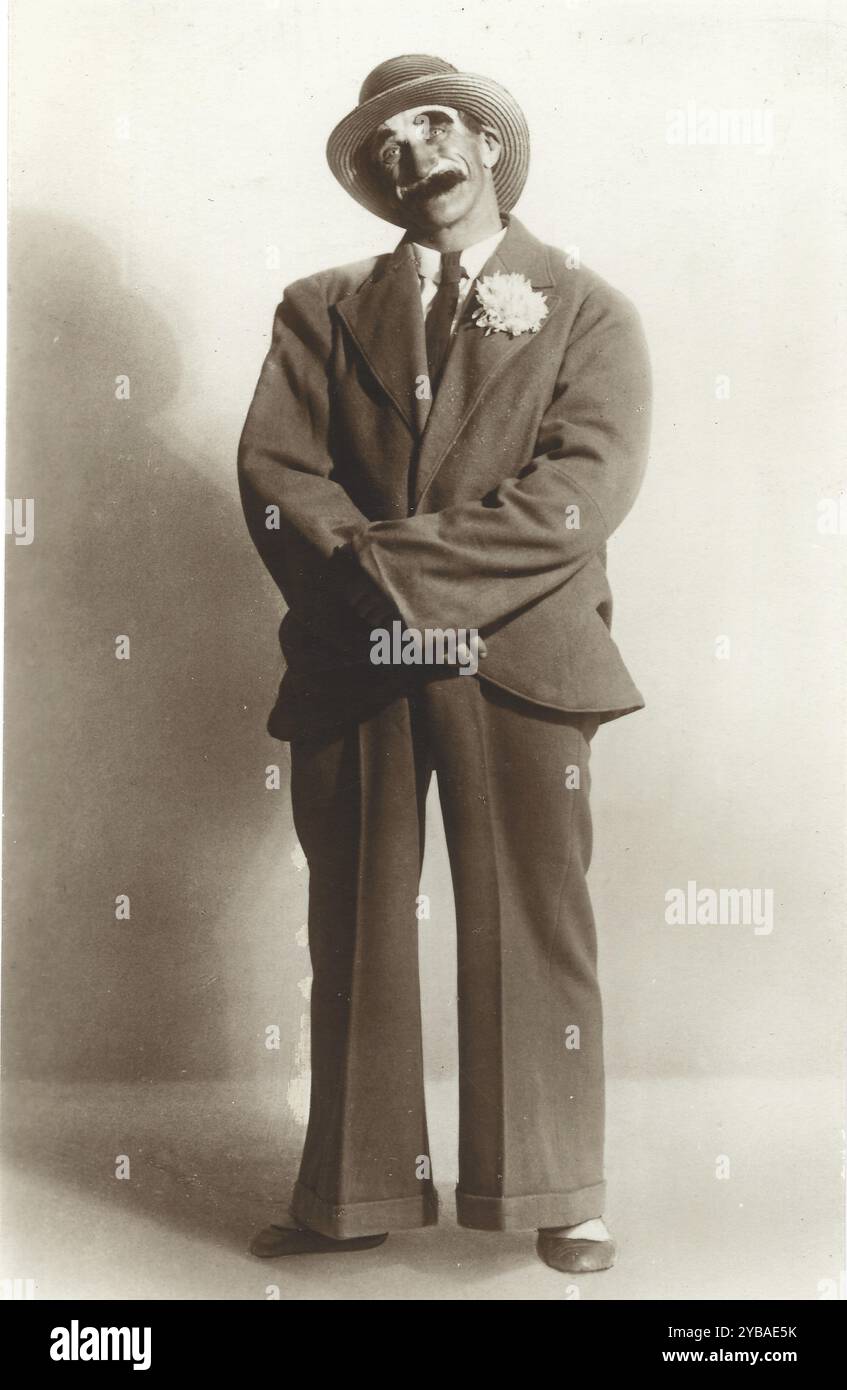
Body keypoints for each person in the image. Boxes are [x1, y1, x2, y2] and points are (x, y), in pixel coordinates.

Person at [238, 53, 651, 1274]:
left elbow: (580, 492)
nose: (413, 153)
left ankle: (555, 1191)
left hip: (521, 654)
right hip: (356, 654)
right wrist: (368, 594)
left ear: (485, 148)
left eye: (433, 128)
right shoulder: (316, 306)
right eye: (389, 144)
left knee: (532, 921)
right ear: (377, 177)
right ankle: (352, 1196)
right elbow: (274, 480)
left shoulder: (586, 305)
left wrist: (395, 570)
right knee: (355, 921)